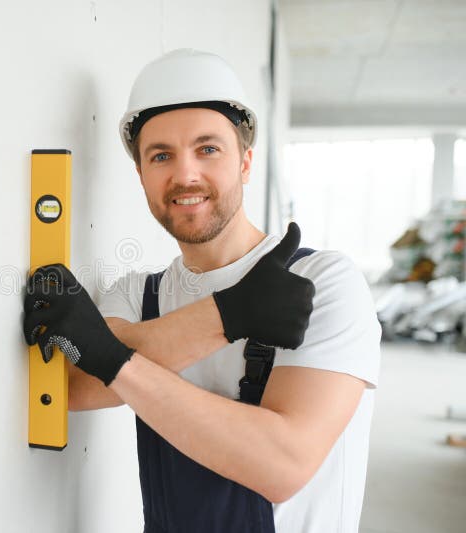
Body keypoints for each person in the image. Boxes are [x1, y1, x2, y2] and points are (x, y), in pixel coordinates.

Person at [23, 49, 381, 533]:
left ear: (246, 162)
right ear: (141, 175)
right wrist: (229, 315)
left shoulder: (322, 281)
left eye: (207, 149)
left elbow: (283, 464)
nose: (185, 174)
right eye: (161, 156)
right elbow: (75, 384)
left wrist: (112, 355)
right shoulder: (136, 296)